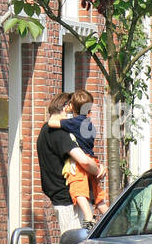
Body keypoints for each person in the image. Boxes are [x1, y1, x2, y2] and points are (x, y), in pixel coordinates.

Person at [36, 92, 104, 234]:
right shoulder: (59, 133)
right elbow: (83, 160)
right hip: (70, 201)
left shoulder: (44, 131)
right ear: (67, 107)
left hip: (60, 199)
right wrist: (98, 170)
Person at [59, 88, 109, 225]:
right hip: (93, 160)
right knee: (98, 197)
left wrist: (65, 113)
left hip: (81, 162)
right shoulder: (90, 126)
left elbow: (52, 123)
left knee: (78, 189)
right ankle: (112, 219)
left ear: (72, 107)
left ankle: (88, 218)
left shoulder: (73, 123)